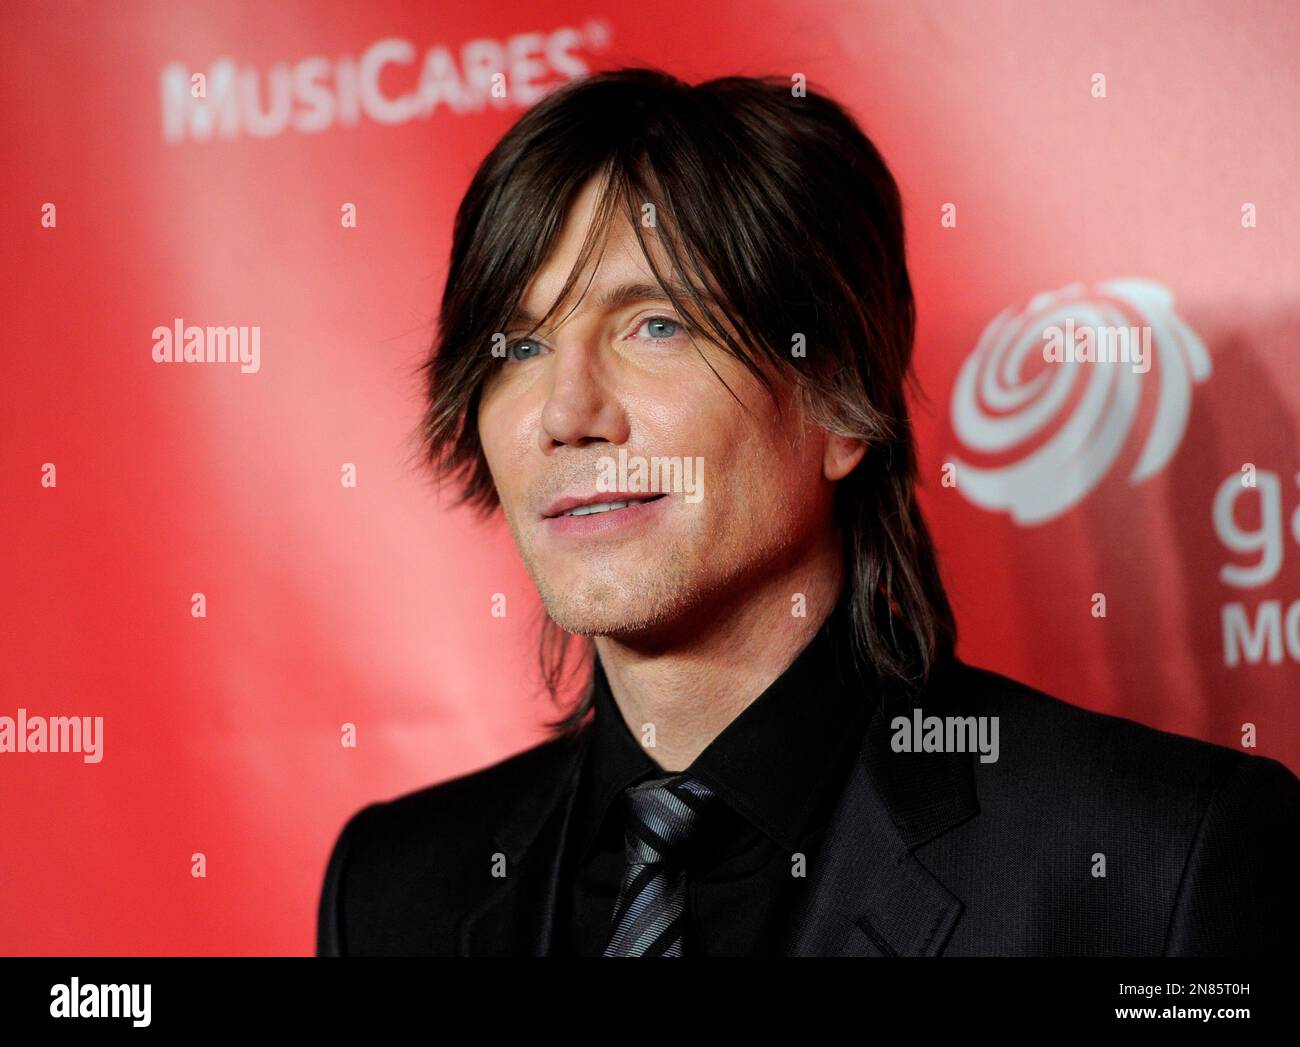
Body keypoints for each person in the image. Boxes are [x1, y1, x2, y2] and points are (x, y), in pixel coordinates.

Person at [315, 68, 1299, 957]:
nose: (567, 414)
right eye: (516, 349)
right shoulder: (396, 888)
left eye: (655, 325)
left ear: (837, 402)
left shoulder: (1152, 861)